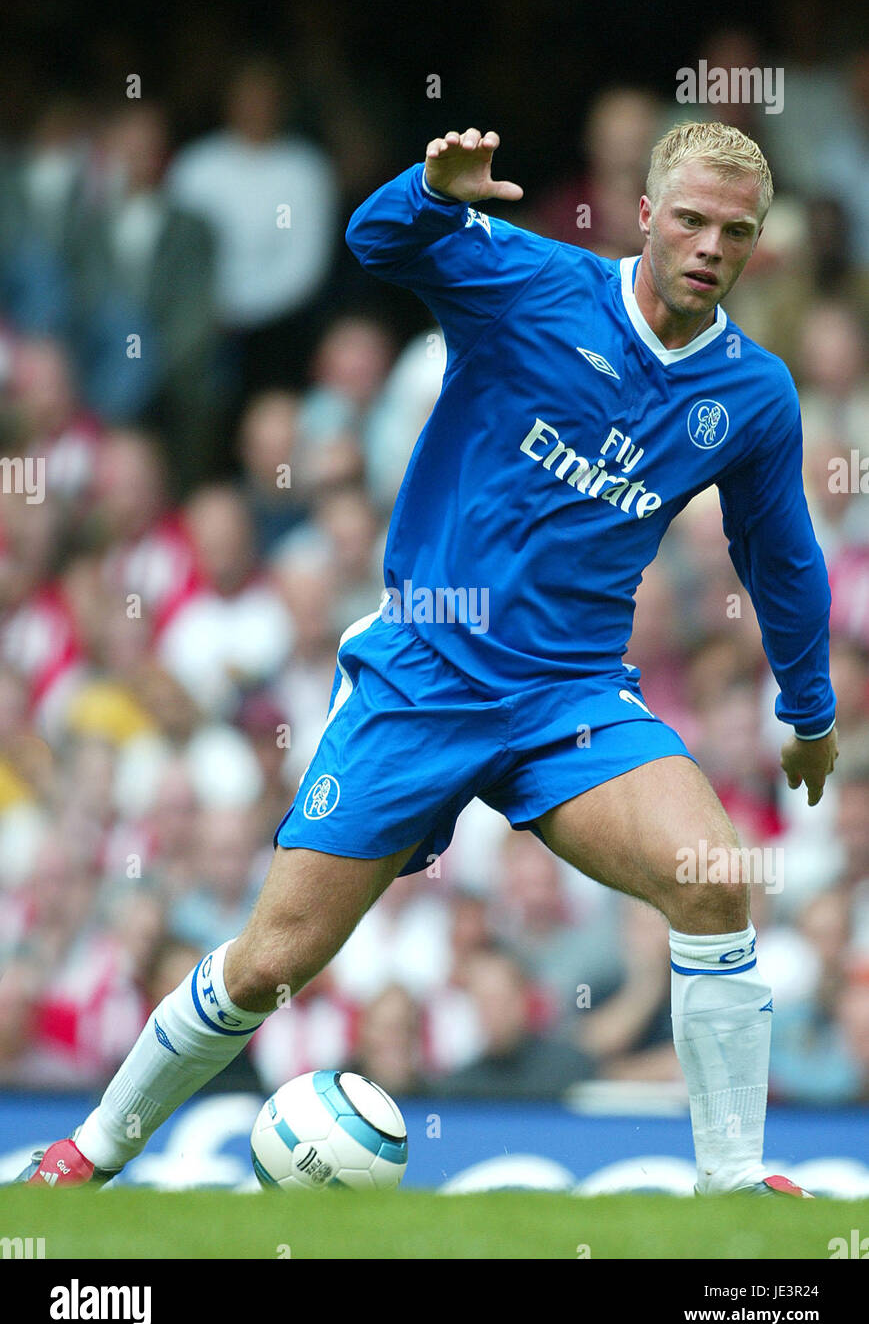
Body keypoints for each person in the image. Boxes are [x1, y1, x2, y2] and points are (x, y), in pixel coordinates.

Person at [20, 122, 838, 1199]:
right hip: (424, 678)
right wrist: (424, 189)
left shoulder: (750, 393)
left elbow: (778, 557)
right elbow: (375, 243)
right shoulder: (531, 280)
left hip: (570, 700)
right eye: (687, 219)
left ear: (752, 246)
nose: (705, 246)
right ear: (642, 213)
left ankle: (732, 1185)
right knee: (270, 961)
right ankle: (87, 1155)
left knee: (714, 877)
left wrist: (810, 707)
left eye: (732, 232)